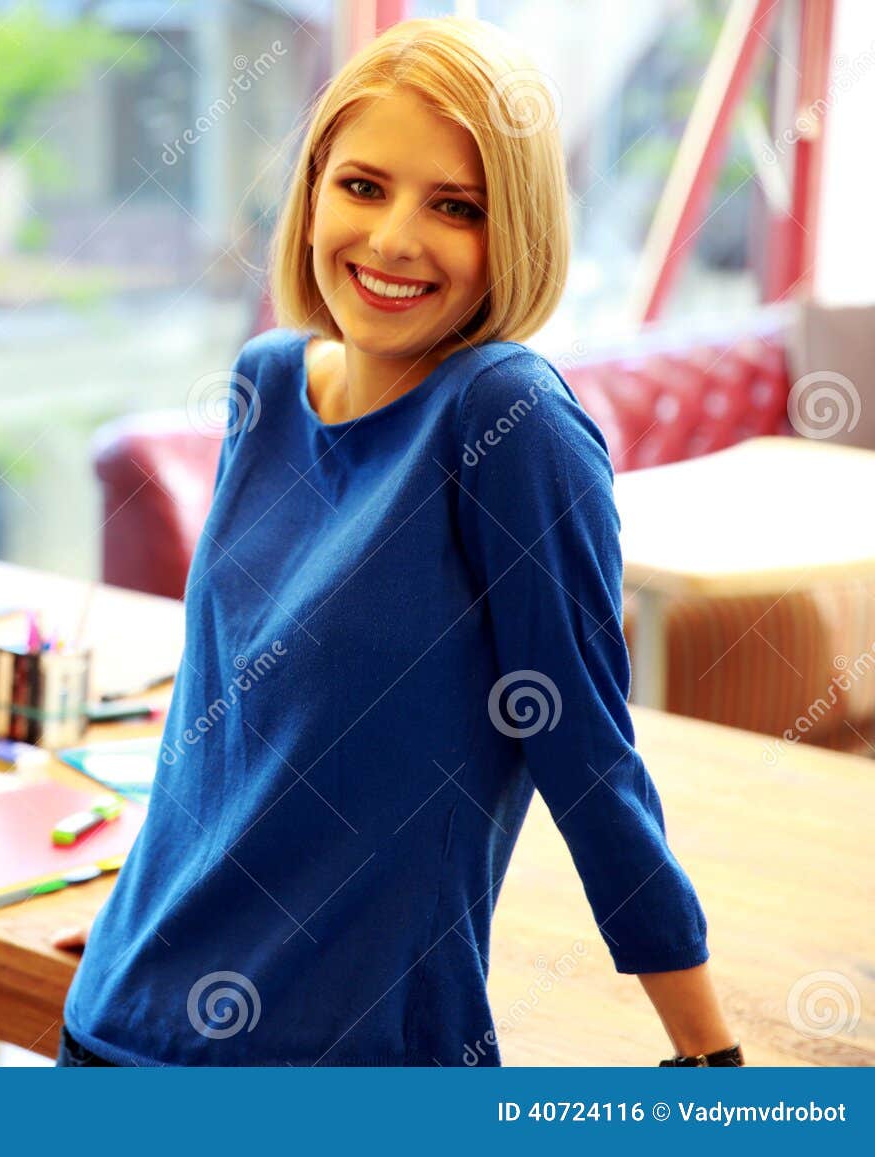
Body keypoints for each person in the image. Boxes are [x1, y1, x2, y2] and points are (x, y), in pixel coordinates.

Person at [53, 15, 742, 1068]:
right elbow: (221, 716)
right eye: (362, 186)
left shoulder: (506, 419)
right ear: (314, 187)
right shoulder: (267, 381)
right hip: (121, 1017)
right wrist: (157, 903)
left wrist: (709, 1061)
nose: (390, 239)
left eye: (454, 206)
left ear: (511, 229)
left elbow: (589, 759)